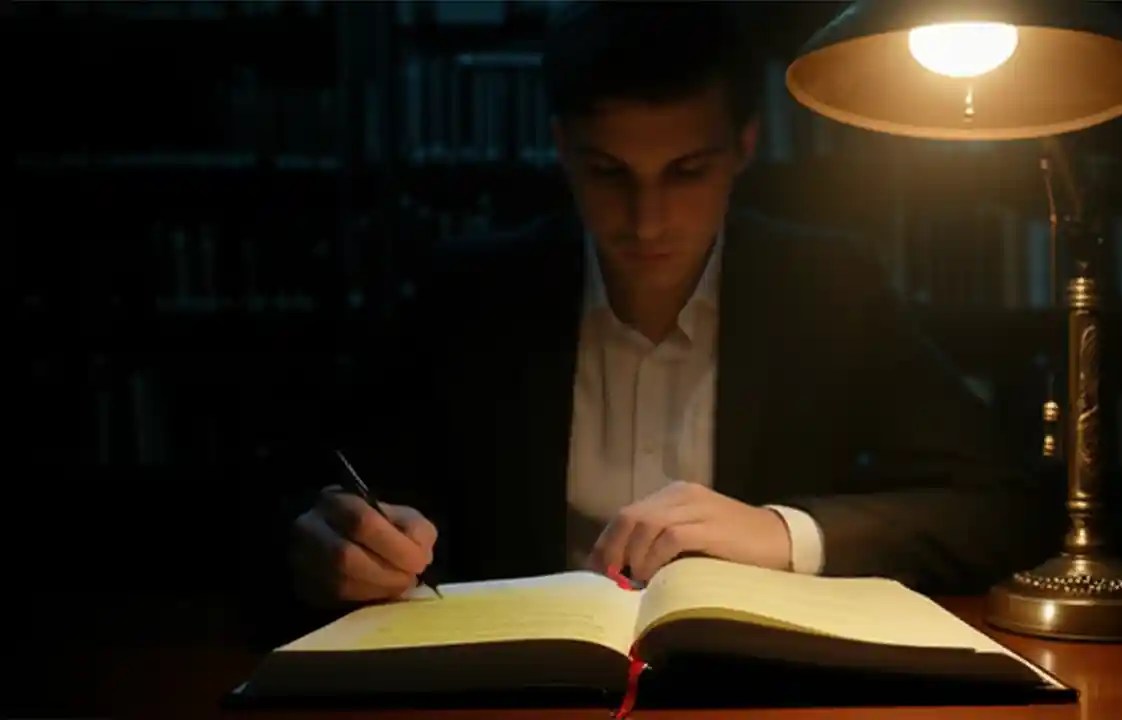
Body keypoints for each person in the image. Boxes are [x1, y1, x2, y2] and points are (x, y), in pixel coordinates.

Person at [279, 2, 1058, 618]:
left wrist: (783, 533)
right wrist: (331, 545)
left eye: (687, 170)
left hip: (763, 698)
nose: (645, 220)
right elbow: (300, 501)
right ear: (560, 147)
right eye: (607, 171)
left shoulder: (827, 288)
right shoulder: (470, 295)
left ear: (746, 144)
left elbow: (1001, 509)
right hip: (517, 697)